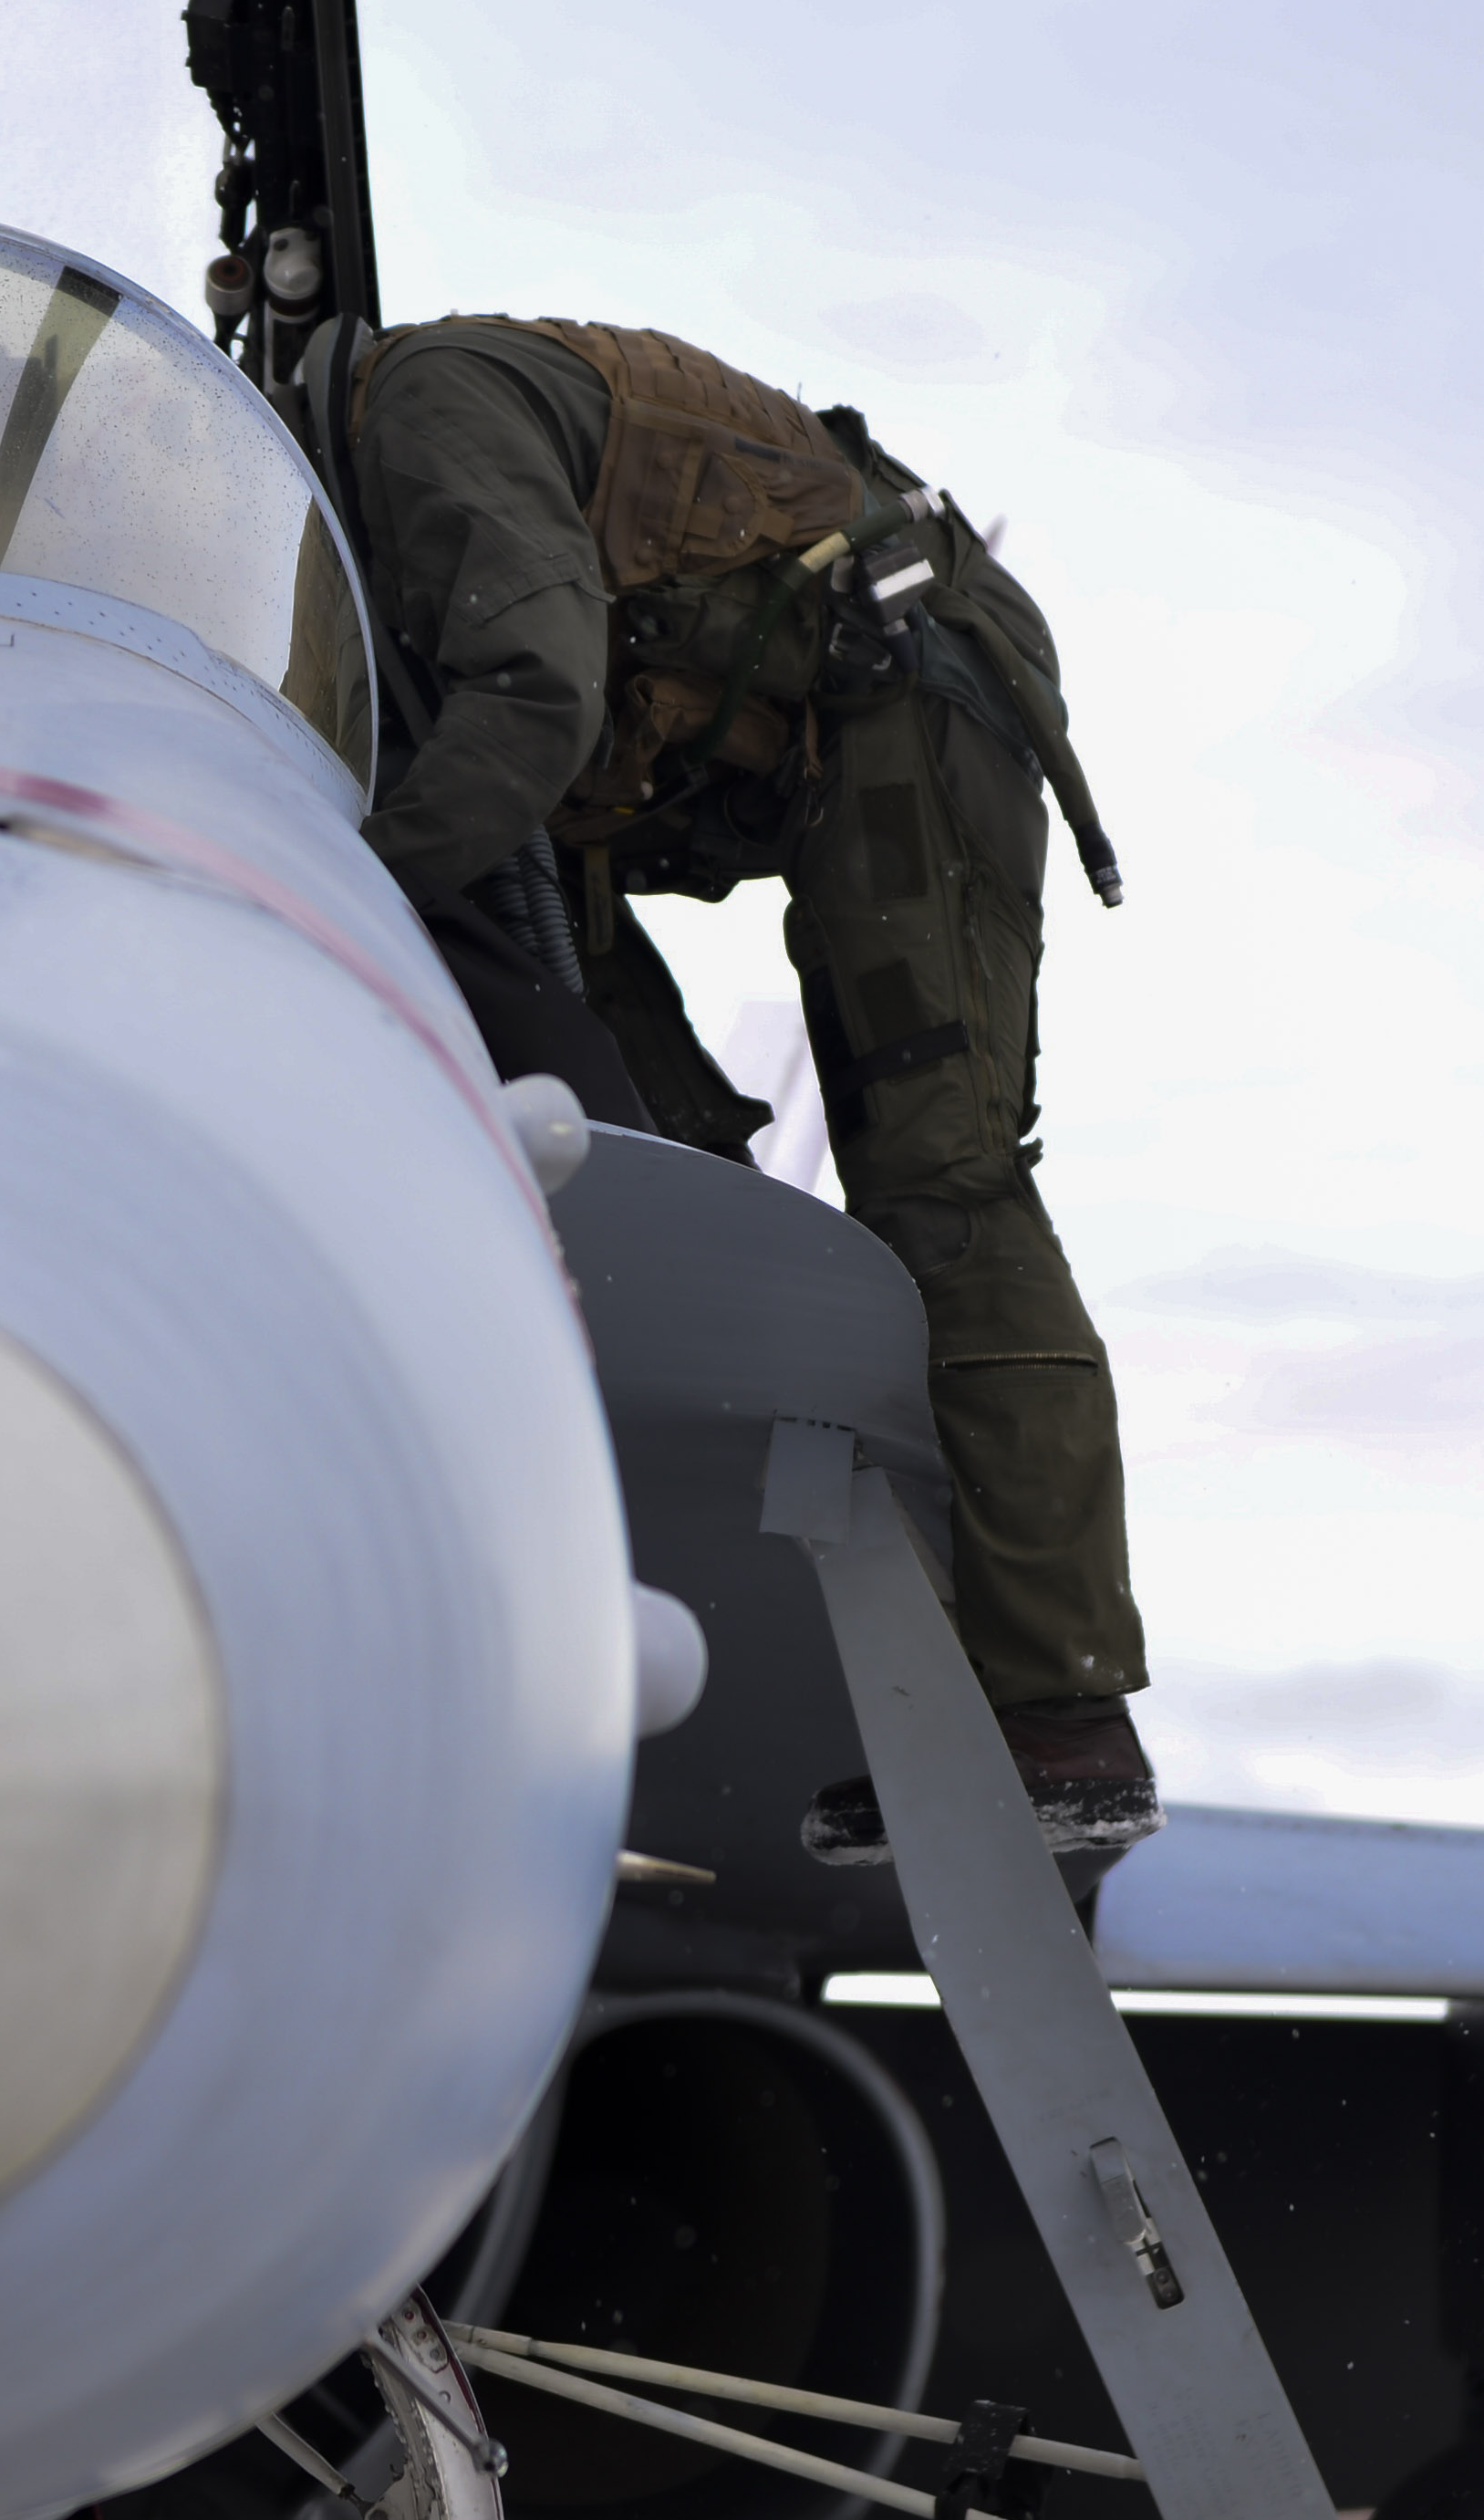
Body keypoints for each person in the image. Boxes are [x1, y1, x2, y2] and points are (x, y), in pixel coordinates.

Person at [285, 311, 1155, 1860]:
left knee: (938, 1172)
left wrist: (319, 894)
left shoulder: (410, 412)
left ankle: (1062, 1713)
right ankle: (897, 1677)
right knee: (639, 1169)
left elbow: (542, 696)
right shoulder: (356, 513)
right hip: (749, 741)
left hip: (907, 685)